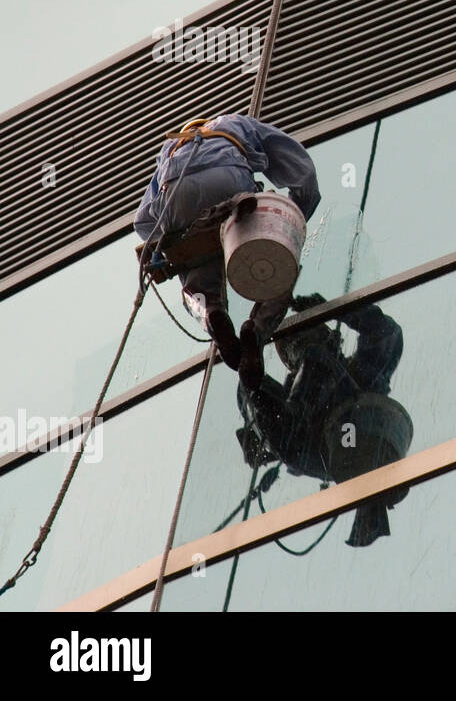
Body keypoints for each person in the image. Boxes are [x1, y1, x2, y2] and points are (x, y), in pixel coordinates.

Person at [134, 114, 321, 372]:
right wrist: (293, 221)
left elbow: (143, 222)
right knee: (277, 260)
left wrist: (175, 232)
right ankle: (256, 331)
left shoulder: (170, 150)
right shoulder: (236, 123)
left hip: (177, 197)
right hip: (228, 180)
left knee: (196, 282)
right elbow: (302, 171)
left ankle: (211, 313)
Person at [235, 294, 410, 547]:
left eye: (310, 335)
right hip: (320, 447)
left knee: (290, 388)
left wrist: (333, 309)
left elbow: (386, 334)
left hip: (354, 433)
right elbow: (251, 391)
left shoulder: (363, 379)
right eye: (295, 346)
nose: (304, 347)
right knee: (262, 398)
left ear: (334, 340)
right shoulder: (293, 429)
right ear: (291, 367)